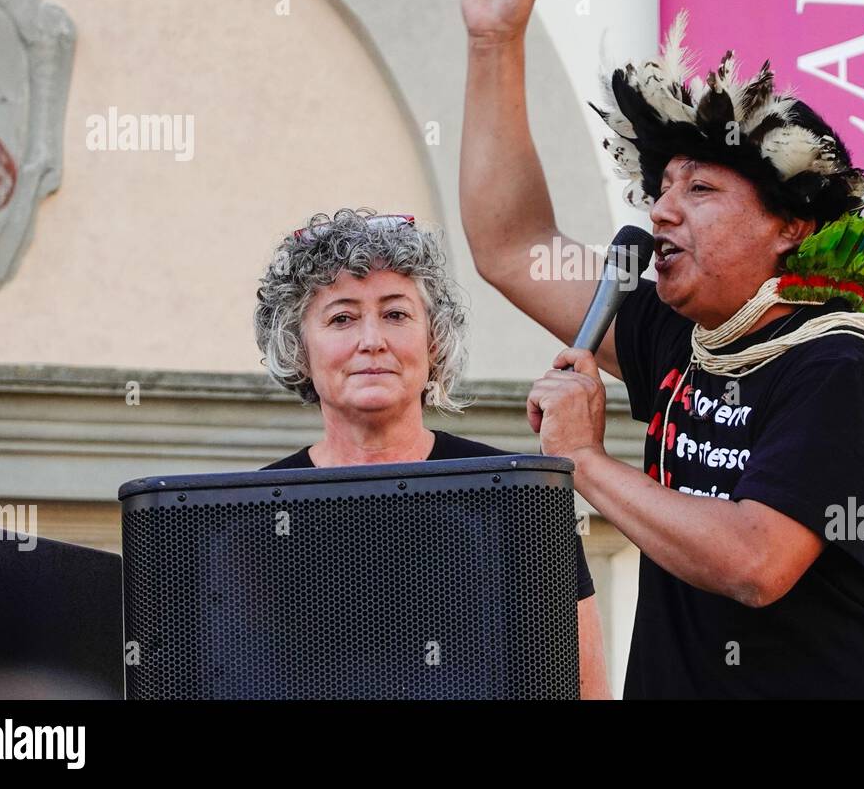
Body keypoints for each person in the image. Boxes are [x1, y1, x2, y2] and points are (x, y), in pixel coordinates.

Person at [458, 0, 864, 697]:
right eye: (659, 190)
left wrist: (584, 460)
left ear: (789, 228)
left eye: (701, 190)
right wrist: (494, 42)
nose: (661, 212)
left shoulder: (843, 367)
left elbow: (755, 562)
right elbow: (511, 244)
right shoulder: (681, 336)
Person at [253, 208, 610, 699]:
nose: (372, 341)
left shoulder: (516, 495)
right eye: (342, 318)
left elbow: (583, 689)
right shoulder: (248, 513)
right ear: (297, 347)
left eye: (396, 314)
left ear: (434, 340)